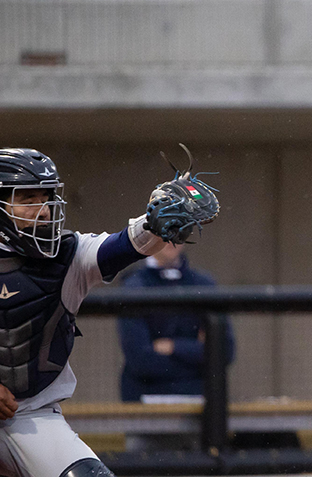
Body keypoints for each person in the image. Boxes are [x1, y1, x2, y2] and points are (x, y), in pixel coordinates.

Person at [0, 147, 214, 477]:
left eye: (46, 198)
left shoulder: (67, 254)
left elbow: (125, 245)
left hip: (29, 414)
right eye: (27, 199)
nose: (43, 211)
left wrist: (155, 222)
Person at [118, 242, 234, 402]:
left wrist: (173, 347)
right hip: (146, 399)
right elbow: (140, 360)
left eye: (180, 231)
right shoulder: (134, 286)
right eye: (164, 231)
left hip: (201, 400)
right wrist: (197, 352)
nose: (172, 238)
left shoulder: (204, 284)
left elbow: (225, 351)